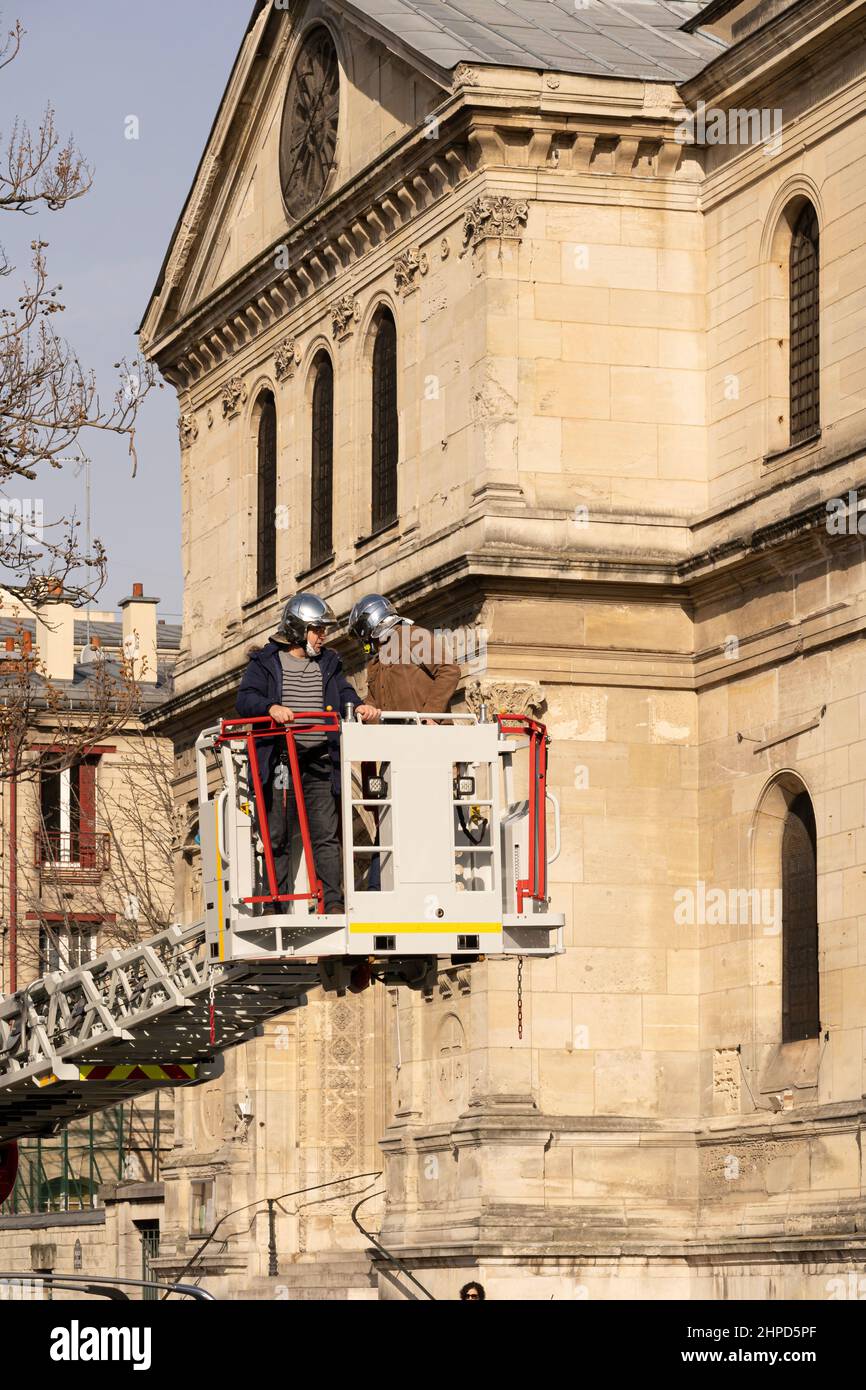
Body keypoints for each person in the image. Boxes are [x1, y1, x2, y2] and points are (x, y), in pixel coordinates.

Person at [236, 592, 379, 914]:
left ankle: (333, 902)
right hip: (282, 762)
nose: (323, 635)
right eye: (317, 629)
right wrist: (270, 707)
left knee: (326, 835)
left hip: (319, 760)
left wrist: (359, 707)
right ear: (298, 630)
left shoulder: (329, 662)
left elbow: (343, 692)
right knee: (278, 837)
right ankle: (277, 903)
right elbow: (245, 699)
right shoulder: (266, 663)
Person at [348, 594, 460, 718]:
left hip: (428, 732)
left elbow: (449, 670)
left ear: (369, 624)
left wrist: (430, 716)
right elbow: (373, 706)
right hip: (395, 735)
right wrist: (363, 713)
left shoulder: (412, 636)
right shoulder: (375, 664)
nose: (363, 641)